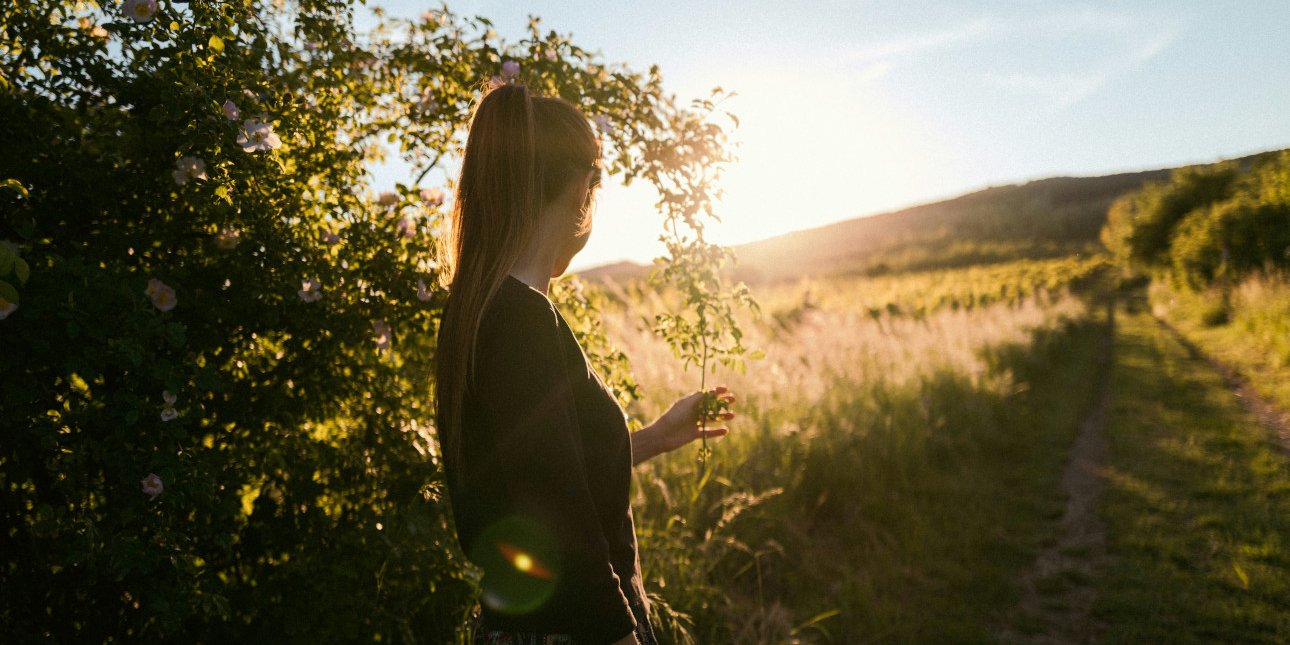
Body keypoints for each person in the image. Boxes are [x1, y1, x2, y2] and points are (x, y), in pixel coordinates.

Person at [433, 82, 738, 645]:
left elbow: (547, 471)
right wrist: (621, 637)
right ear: (580, 190)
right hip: (574, 631)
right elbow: (560, 520)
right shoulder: (517, 323)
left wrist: (655, 437)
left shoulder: (486, 312)